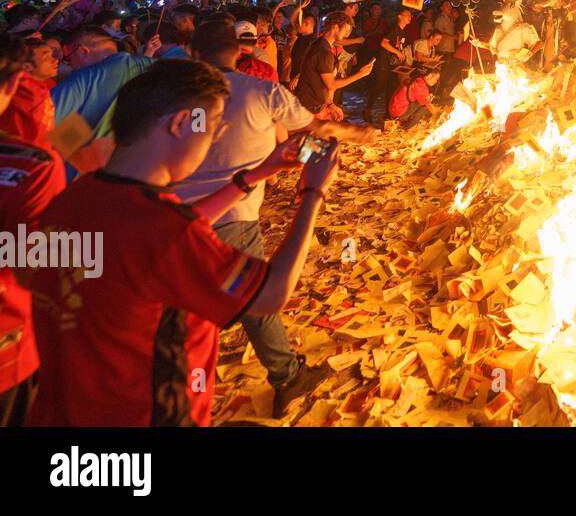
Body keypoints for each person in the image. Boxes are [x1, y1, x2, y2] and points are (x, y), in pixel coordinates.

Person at [25, 59, 341, 426]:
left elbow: (150, 247)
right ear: (179, 124)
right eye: (212, 127)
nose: (216, 136)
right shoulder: (165, 230)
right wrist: (313, 193)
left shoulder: (74, 198)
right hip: (147, 415)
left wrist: (255, 175)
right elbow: (270, 294)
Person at [182, 22, 371, 416]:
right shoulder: (260, 91)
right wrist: (358, 134)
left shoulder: (171, 92)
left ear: (192, 53)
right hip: (234, 215)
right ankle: (286, 377)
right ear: (238, 52)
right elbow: (315, 130)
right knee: (256, 298)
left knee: (189, 299)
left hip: (172, 212)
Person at [0, 35, 65, 426]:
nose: (54, 58)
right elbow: (34, 265)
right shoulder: (31, 165)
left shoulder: (48, 92)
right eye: (45, 54)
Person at [295, 12, 373, 119]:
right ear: (335, 27)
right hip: (310, 107)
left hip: (313, 104)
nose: (346, 34)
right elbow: (331, 84)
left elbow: (321, 83)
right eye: (345, 30)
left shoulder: (320, 45)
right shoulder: (323, 52)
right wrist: (360, 74)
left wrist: (331, 104)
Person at [366, 8, 411, 125]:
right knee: (379, 86)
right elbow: (383, 43)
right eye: (407, 15)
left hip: (392, 64)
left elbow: (398, 47)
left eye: (410, 16)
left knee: (392, 88)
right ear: (400, 16)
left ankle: (388, 113)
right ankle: (367, 110)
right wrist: (397, 52)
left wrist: (402, 56)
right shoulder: (393, 29)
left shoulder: (403, 32)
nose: (410, 17)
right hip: (383, 62)